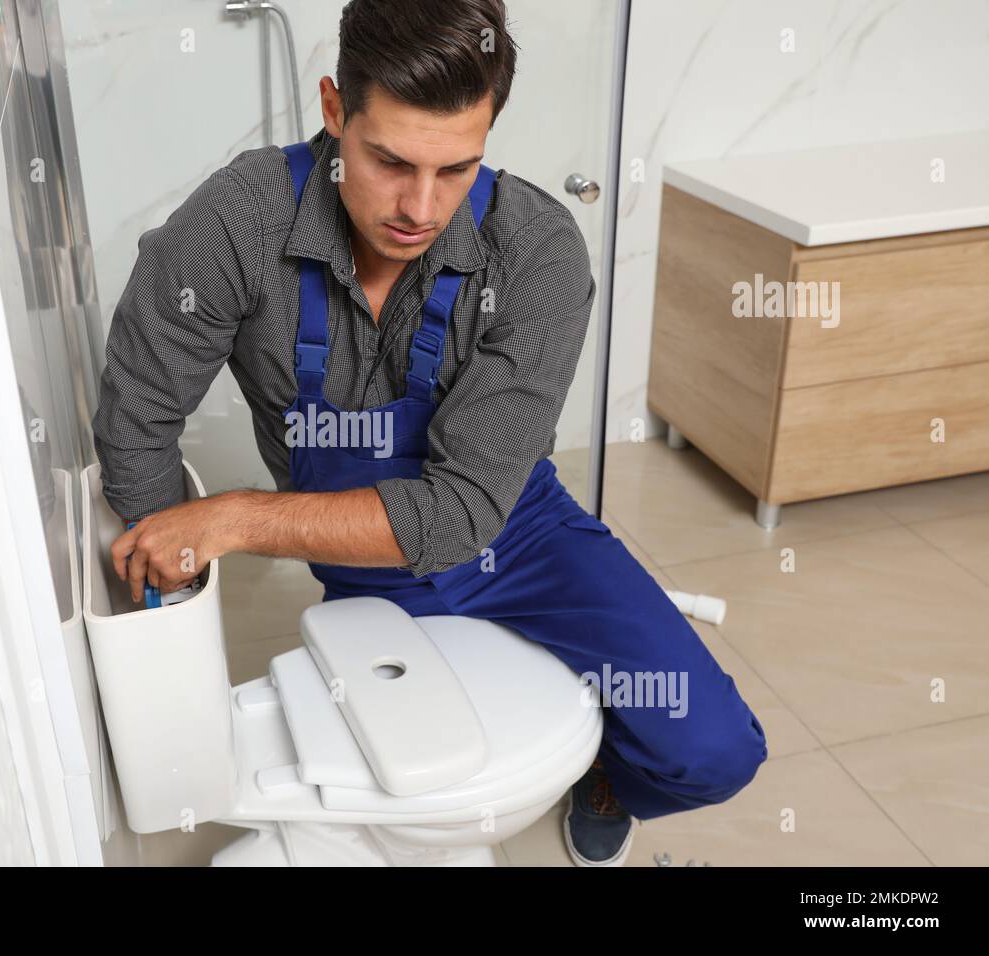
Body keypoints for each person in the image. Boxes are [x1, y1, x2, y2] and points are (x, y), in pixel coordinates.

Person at [92, 0, 767, 866]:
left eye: (457, 169)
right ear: (335, 110)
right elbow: (137, 417)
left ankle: (606, 778)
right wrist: (169, 614)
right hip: (366, 563)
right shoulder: (236, 224)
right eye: (390, 161)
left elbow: (462, 512)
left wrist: (231, 519)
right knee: (416, 776)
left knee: (716, 752)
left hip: (519, 531)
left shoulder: (537, 252)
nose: (420, 206)